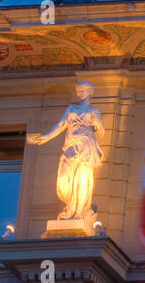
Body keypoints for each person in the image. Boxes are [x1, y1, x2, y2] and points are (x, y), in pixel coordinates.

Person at [28, 81, 106, 220]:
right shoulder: (71, 109)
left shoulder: (94, 111)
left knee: (82, 180)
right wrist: (46, 137)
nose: (80, 93)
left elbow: (101, 133)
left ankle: (78, 212)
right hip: (71, 145)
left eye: (82, 90)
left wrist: (98, 123)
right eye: (78, 90)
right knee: (64, 179)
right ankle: (71, 206)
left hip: (86, 146)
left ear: (90, 92)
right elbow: (61, 125)